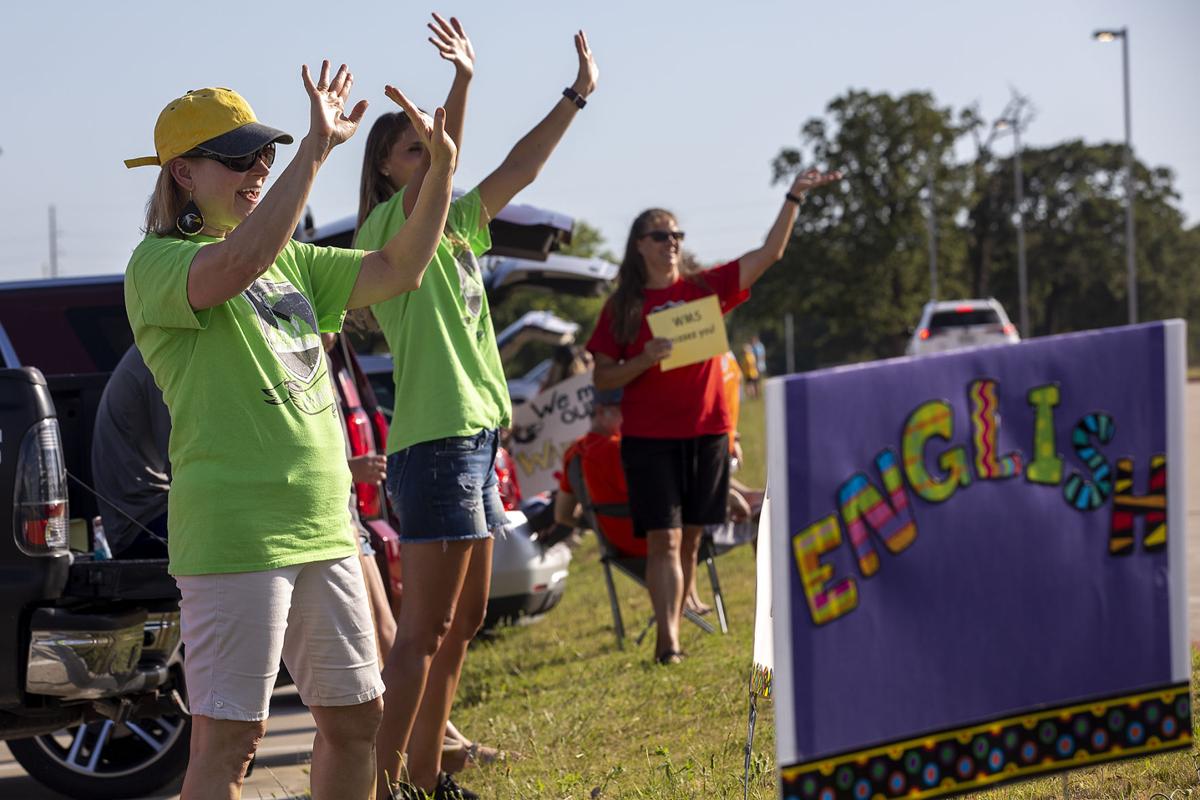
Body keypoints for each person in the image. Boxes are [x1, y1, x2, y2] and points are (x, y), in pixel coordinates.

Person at [123, 63, 458, 800]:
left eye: (264, 155)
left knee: (358, 721)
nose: (258, 169)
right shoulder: (157, 263)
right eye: (240, 158)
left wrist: (442, 170)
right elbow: (237, 263)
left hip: (323, 527)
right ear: (183, 172)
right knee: (231, 743)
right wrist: (313, 151)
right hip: (236, 534)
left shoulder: (293, 261)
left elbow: (402, 267)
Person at [355, 17, 598, 799]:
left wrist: (575, 96)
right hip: (434, 447)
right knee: (421, 633)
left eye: (430, 146)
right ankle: (380, 786)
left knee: (461, 628)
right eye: (411, 149)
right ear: (388, 174)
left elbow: (520, 168)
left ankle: (426, 780)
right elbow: (446, 168)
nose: (428, 157)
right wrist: (460, 87)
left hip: (475, 441)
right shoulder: (388, 231)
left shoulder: (457, 224)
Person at [587, 168, 841, 665]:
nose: (672, 242)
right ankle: (669, 642)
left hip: (706, 436)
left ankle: (675, 625)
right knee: (663, 537)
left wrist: (794, 196)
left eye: (677, 234)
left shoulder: (705, 288)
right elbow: (602, 379)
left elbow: (769, 254)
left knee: (692, 539)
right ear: (639, 245)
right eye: (661, 235)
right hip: (648, 439)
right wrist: (643, 359)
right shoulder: (622, 308)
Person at [91, 345, 171, 558]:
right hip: (142, 525)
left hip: (144, 515)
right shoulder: (161, 357)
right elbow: (185, 462)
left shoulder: (153, 347)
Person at [554, 388, 646, 559]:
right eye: (625, 409)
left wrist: (597, 523)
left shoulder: (575, 454)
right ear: (600, 412)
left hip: (617, 546)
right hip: (659, 539)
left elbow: (562, 515)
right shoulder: (630, 446)